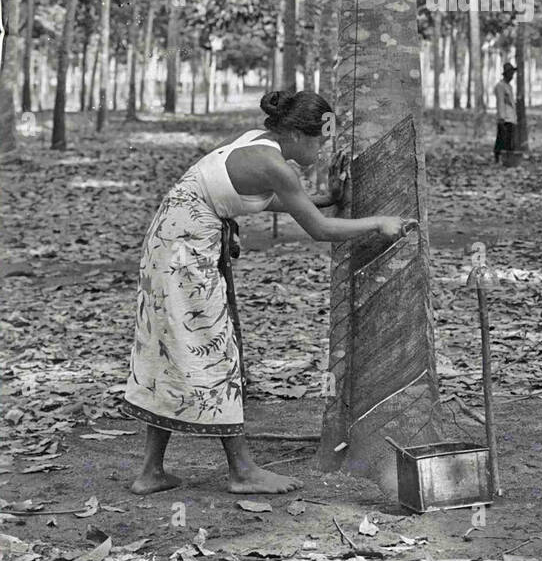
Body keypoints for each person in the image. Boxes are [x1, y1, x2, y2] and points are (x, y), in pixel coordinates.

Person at [123, 89, 407, 495]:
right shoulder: (277, 165)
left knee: (172, 347)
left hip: (170, 241)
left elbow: (253, 195)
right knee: (213, 346)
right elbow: (319, 231)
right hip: (184, 251)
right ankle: (241, 471)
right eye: (320, 140)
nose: (322, 148)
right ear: (297, 135)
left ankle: (151, 471)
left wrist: (324, 198)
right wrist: (379, 222)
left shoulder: (257, 143)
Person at [493, 62, 517, 163]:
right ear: (506, 74)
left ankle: (507, 159)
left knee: (509, 140)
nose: (512, 76)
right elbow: (500, 102)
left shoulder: (509, 87)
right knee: (501, 138)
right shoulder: (500, 86)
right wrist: (501, 117)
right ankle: (497, 157)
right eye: (510, 73)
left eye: (512, 73)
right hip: (504, 117)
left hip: (511, 117)